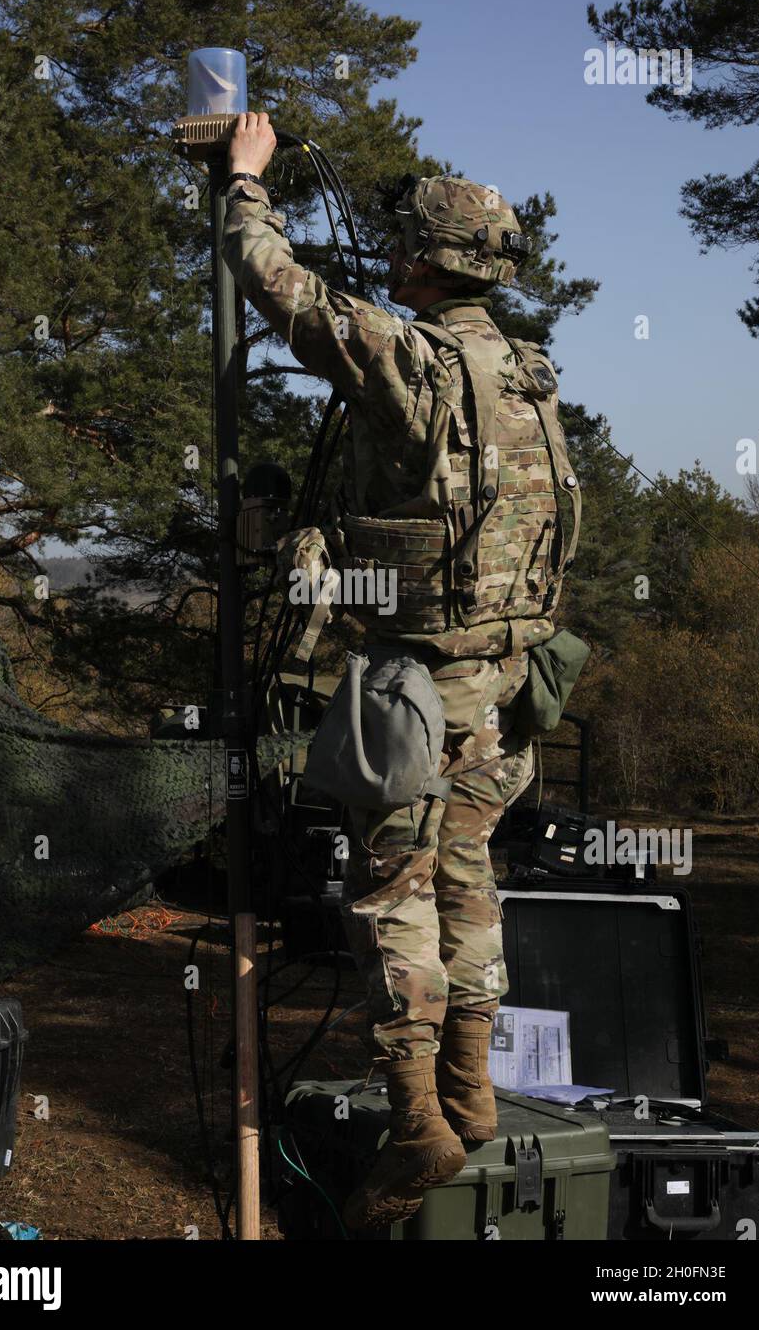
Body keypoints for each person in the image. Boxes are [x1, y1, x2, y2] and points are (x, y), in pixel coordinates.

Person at [222, 112, 581, 1231]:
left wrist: (245, 183)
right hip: (506, 686)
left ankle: (418, 1118)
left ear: (425, 259)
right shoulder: (525, 371)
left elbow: (274, 282)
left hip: (416, 692)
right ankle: (472, 1093)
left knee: (392, 896)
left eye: (401, 245)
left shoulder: (407, 354)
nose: (387, 257)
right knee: (469, 883)